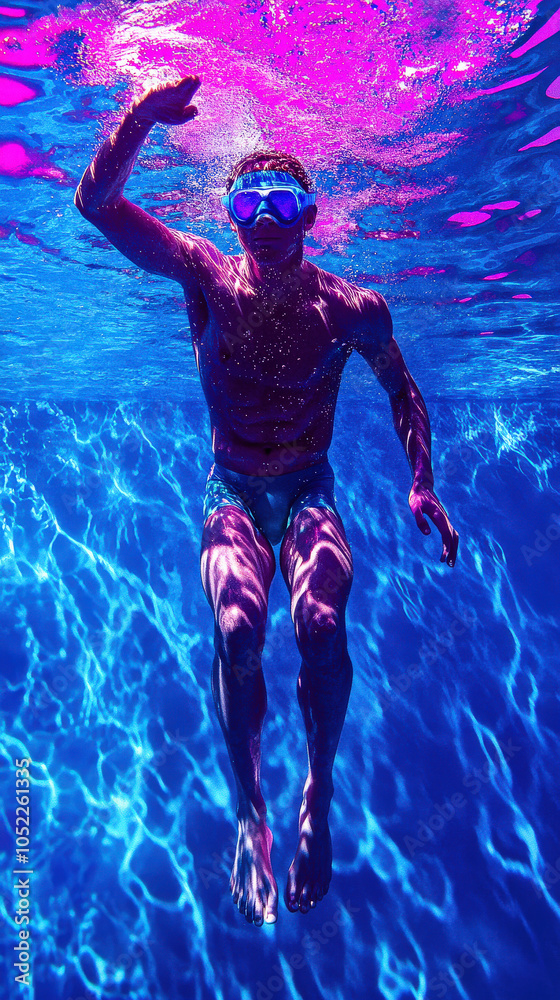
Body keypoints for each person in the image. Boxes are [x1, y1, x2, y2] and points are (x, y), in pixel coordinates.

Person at [74, 75, 459, 927]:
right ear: (230, 215)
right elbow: (95, 204)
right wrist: (138, 117)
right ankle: (253, 811)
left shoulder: (352, 309)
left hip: (310, 486)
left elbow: (403, 388)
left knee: (320, 624)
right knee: (239, 626)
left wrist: (422, 478)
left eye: (283, 202)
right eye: (248, 203)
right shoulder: (205, 275)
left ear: (310, 215)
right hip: (234, 489)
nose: (266, 220)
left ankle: (318, 791)